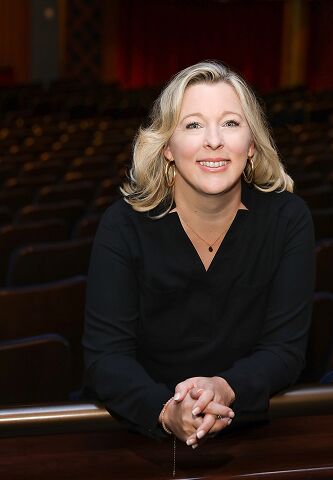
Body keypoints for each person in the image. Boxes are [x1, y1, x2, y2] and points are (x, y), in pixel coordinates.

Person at [82, 60, 315, 450]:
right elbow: (106, 358)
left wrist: (224, 387)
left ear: (252, 144)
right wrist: (166, 412)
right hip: (138, 439)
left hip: (253, 438)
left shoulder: (289, 219)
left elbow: (285, 350)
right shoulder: (122, 226)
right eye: (193, 125)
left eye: (230, 123)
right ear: (167, 147)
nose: (214, 140)